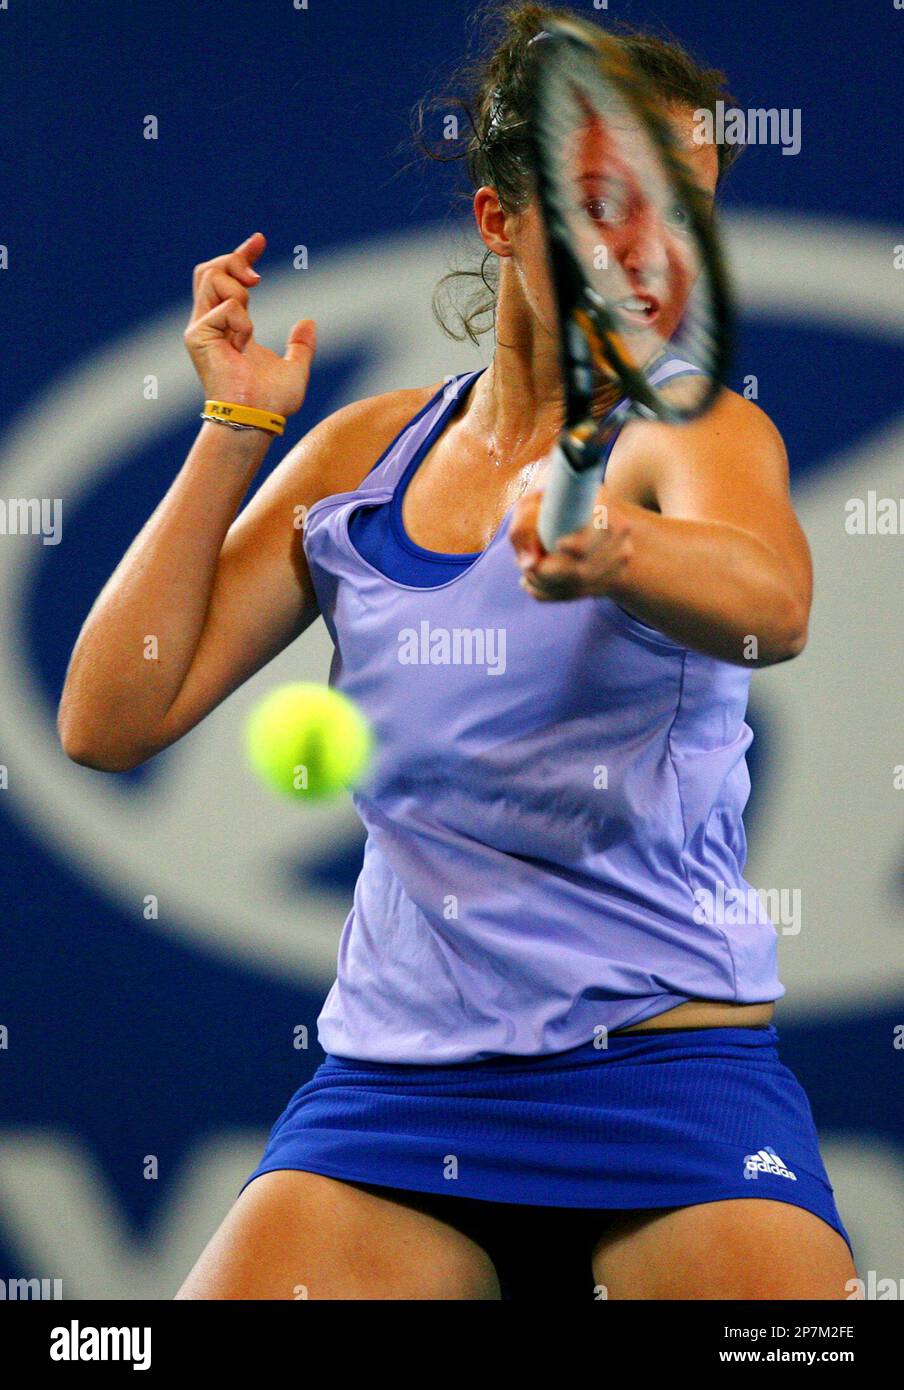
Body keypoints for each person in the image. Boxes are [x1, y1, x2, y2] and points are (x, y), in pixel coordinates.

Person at [59, 2, 856, 1300]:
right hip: (394, 1088)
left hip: (670, 1083)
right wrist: (230, 427)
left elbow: (776, 604)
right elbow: (107, 719)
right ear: (502, 221)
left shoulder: (692, 431)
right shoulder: (362, 461)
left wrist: (616, 555)